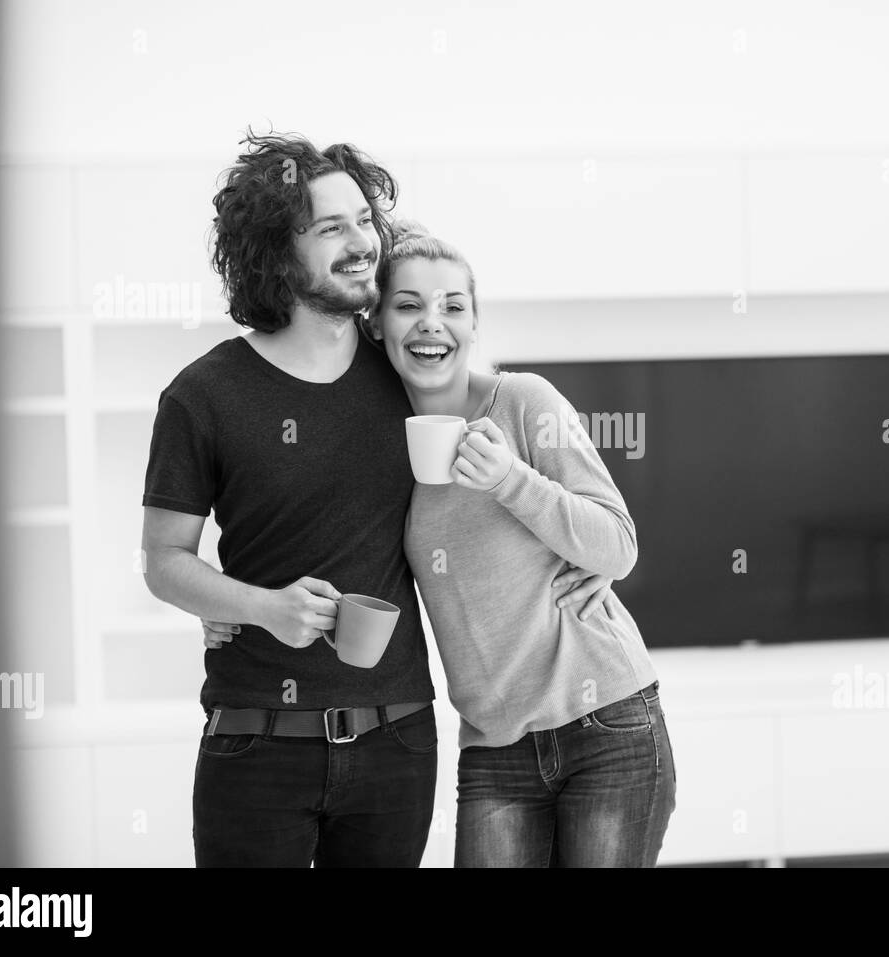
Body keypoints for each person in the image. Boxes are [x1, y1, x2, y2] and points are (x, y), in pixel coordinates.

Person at [141, 133, 611, 867]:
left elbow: (511, 456)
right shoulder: (204, 396)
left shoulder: (406, 377)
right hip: (255, 737)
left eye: (365, 220)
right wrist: (252, 604)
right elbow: (163, 560)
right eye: (333, 228)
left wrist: (590, 557)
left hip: (397, 740)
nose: (363, 241)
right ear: (274, 250)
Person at [368, 220, 676, 867]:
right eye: (409, 305)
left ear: (475, 324)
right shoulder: (378, 442)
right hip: (493, 748)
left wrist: (513, 480)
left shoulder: (524, 402)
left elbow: (617, 544)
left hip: (608, 724)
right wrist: (232, 602)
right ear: (377, 324)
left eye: (453, 306)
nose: (433, 322)